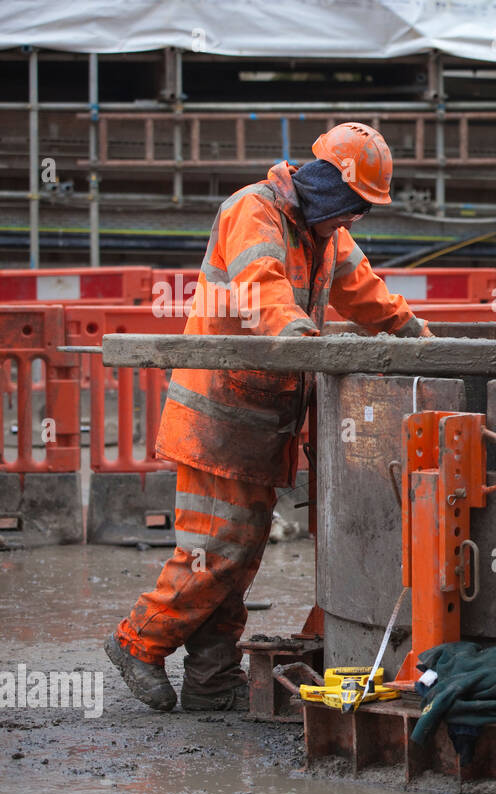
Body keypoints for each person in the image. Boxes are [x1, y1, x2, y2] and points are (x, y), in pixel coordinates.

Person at [106, 122, 431, 712]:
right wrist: (306, 339)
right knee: (217, 547)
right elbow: (261, 292)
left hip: (259, 425)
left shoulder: (321, 232)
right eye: (354, 207)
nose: (354, 221)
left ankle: (211, 679)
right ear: (330, 187)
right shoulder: (251, 211)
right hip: (218, 421)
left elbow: (364, 291)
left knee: (241, 552)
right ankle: (138, 641)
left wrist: (417, 336)